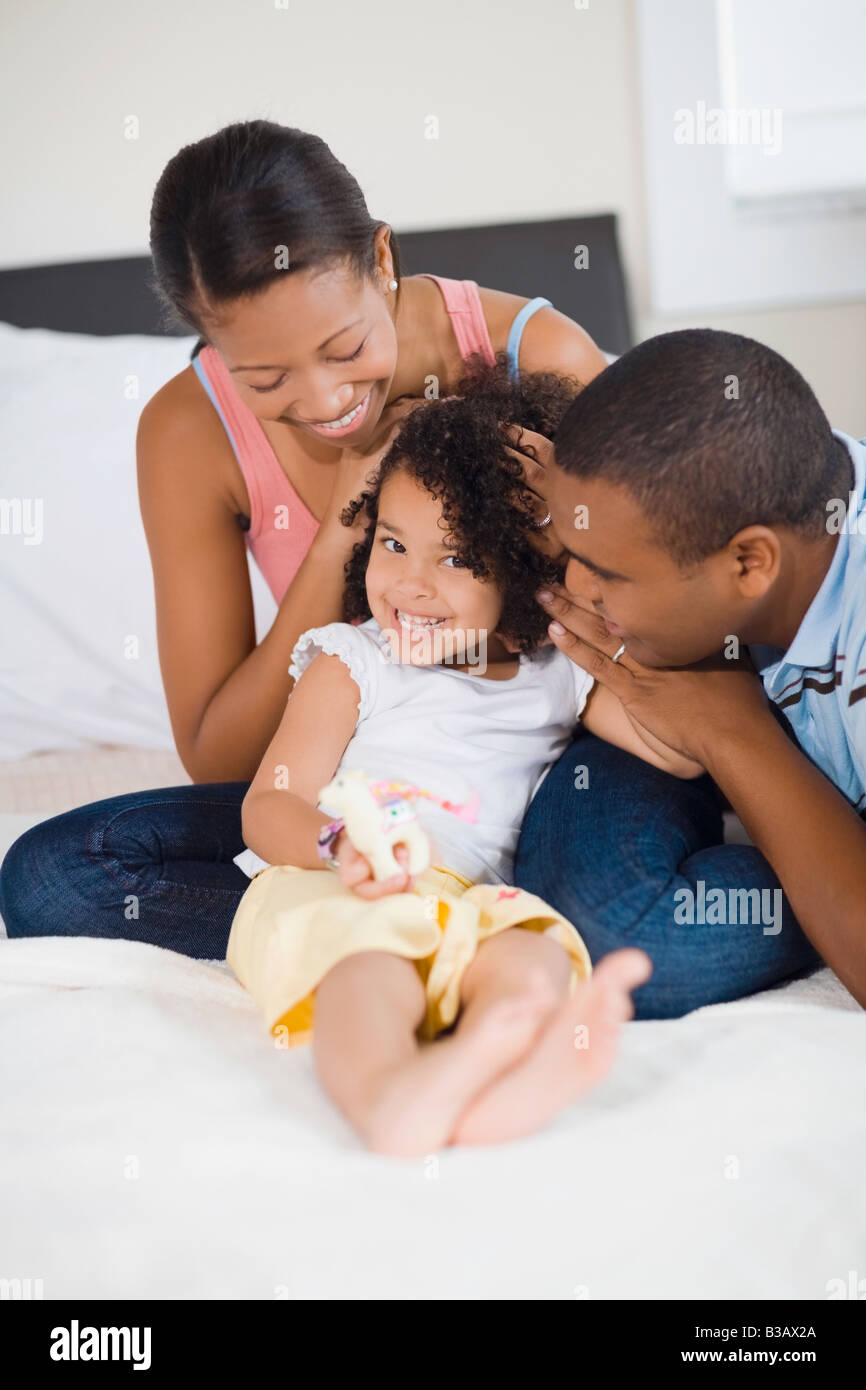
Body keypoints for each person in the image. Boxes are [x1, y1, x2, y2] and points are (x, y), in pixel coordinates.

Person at [0, 119, 610, 956]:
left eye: (345, 347)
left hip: (549, 765)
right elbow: (223, 758)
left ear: (383, 260)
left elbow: (666, 620)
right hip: (355, 795)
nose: (325, 402)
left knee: (623, 914)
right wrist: (342, 532)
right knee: (51, 875)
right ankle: (407, 917)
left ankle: (468, 914)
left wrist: (567, 517)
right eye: (266, 377)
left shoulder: (535, 354)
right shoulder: (188, 433)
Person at [226, 365, 708, 1154]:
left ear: (524, 580)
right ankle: (387, 1095)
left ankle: (496, 1077)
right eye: (392, 542)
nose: (409, 584)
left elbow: (681, 755)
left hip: (467, 905)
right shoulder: (352, 661)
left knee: (535, 960)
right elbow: (266, 805)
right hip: (339, 891)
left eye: (457, 560)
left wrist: (594, 608)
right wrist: (337, 848)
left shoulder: (558, 673)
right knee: (370, 972)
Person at [517, 328, 866, 1015]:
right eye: (571, 548)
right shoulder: (727, 481)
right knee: (603, 919)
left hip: (734, 717)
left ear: (749, 563)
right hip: (690, 685)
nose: (578, 586)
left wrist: (730, 731)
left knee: (637, 948)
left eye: (609, 573)